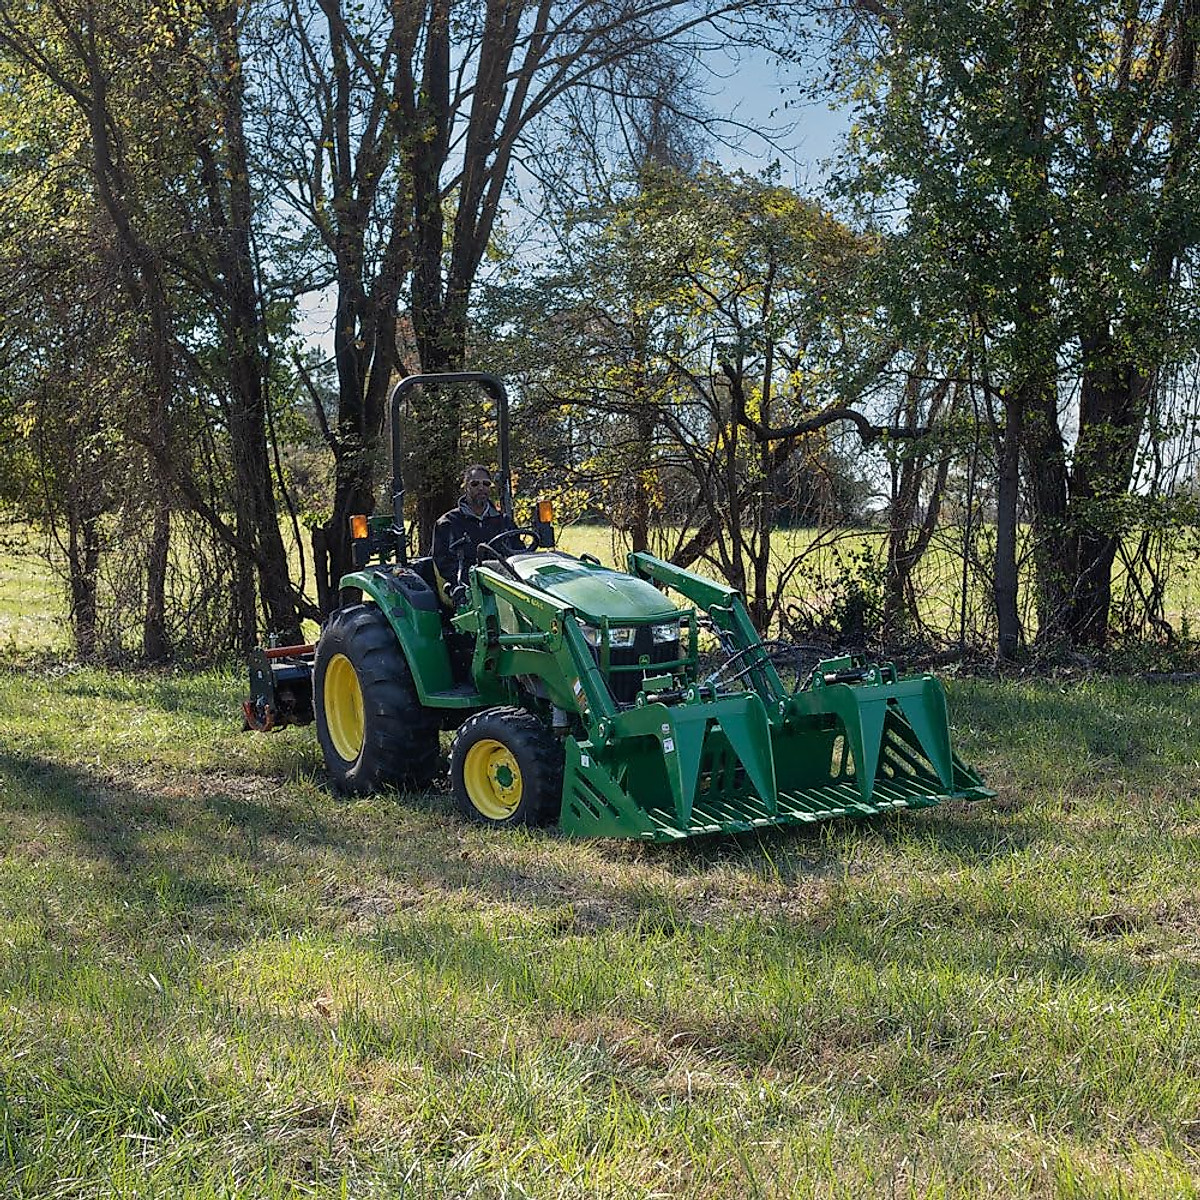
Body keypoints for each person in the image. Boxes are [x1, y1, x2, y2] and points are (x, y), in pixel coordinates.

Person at [431, 464, 516, 600]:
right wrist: (466, 580)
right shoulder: (448, 523)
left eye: (486, 484)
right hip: (468, 585)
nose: (481, 488)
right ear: (466, 487)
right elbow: (442, 561)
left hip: (504, 583)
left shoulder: (503, 521)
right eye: (475, 484)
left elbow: (519, 551)